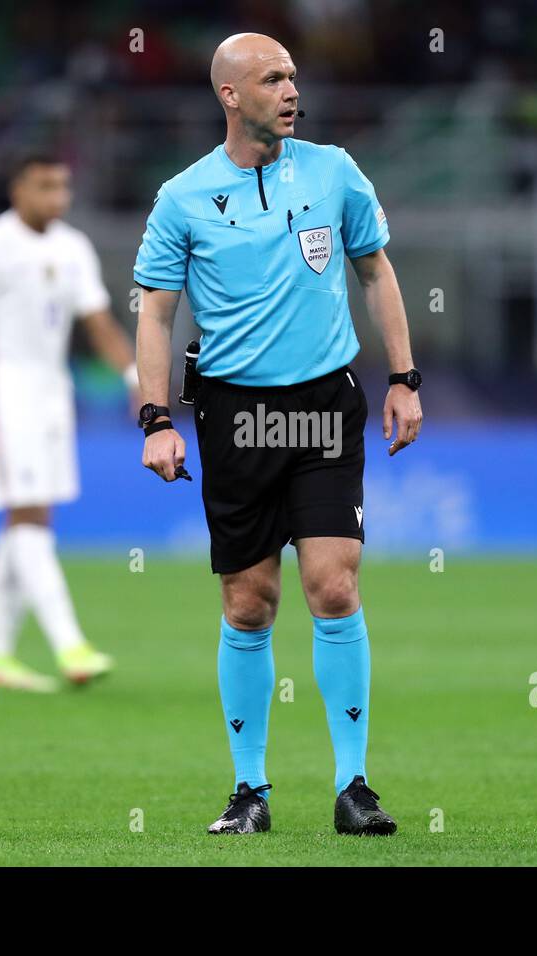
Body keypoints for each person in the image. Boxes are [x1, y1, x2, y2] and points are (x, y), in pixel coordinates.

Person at [132, 34, 423, 834]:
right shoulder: (183, 197)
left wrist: (403, 377)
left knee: (334, 584)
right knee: (249, 601)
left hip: (326, 407)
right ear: (231, 95)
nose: (292, 90)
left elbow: (375, 270)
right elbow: (155, 313)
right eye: (273, 78)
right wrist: (156, 419)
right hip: (236, 416)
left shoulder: (334, 172)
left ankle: (355, 786)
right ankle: (249, 792)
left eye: (293, 76)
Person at [0, 154, 135, 692]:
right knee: (29, 515)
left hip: (53, 393)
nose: (57, 196)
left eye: (63, 186)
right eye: (45, 186)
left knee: (27, 520)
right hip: (4, 396)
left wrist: (134, 381)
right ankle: (70, 645)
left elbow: (98, 323)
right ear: (17, 189)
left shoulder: (72, 247)